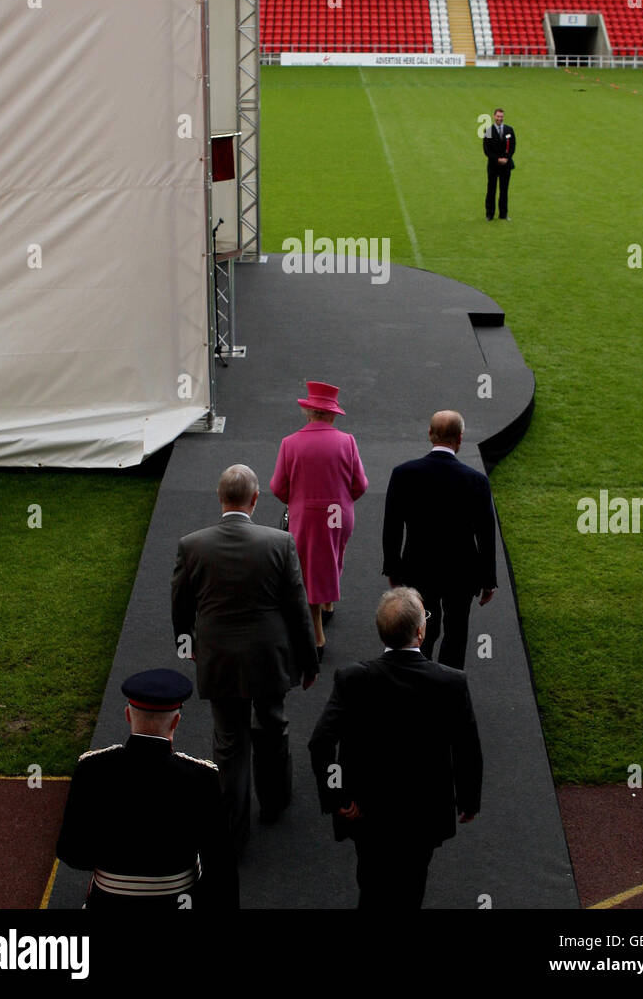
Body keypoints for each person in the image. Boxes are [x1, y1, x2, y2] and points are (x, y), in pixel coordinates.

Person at [171, 463, 319, 853]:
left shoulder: (192, 545)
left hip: (218, 659)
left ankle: (233, 828)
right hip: (269, 658)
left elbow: (180, 607)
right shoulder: (279, 543)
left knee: (229, 739)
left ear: (220, 498)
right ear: (256, 499)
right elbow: (297, 609)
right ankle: (274, 803)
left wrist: (187, 647)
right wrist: (308, 662)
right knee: (272, 726)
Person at [308, 587, 483, 910]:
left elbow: (320, 742)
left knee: (371, 884)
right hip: (423, 814)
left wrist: (338, 797)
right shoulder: (451, 682)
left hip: (367, 810)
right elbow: (466, 748)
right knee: (412, 886)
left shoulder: (353, 679)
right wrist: (469, 800)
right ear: (420, 632)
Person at [56, 668, 238, 909]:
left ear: (128, 716)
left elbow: (72, 852)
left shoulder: (92, 769)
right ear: (176, 721)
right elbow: (220, 866)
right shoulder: (201, 778)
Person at [381, 410, 496, 669]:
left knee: (423, 627)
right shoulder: (476, 481)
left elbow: (392, 525)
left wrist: (393, 567)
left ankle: (420, 678)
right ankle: (449, 685)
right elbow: (486, 534)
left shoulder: (404, 474)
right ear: (460, 438)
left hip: (418, 568)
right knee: (456, 633)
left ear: (430, 435)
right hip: (461, 572)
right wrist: (488, 579)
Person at [270, 381, 368, 659]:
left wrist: (298, 500)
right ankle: (327, 605)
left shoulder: (290, 444)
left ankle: (317, 637)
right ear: (333, 414)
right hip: (339, 515)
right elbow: (360, 484)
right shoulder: (348, 441)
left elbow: (278, 487)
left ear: (309, 411)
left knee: (309, 571)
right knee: (333, 557)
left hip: (308, 518)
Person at [483, 106, 516, 220]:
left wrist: (506, 158)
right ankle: (489, 214)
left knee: (504, 190)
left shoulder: (509, 130)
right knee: (491, 190)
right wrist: (497, 159)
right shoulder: (488, 131)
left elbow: (512, 146)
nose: (499, 118)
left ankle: (503, 214)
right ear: (494, 116)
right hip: (493, 165)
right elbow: (487, 150)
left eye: (501, 116)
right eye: (498, 116)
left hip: (505, 166)